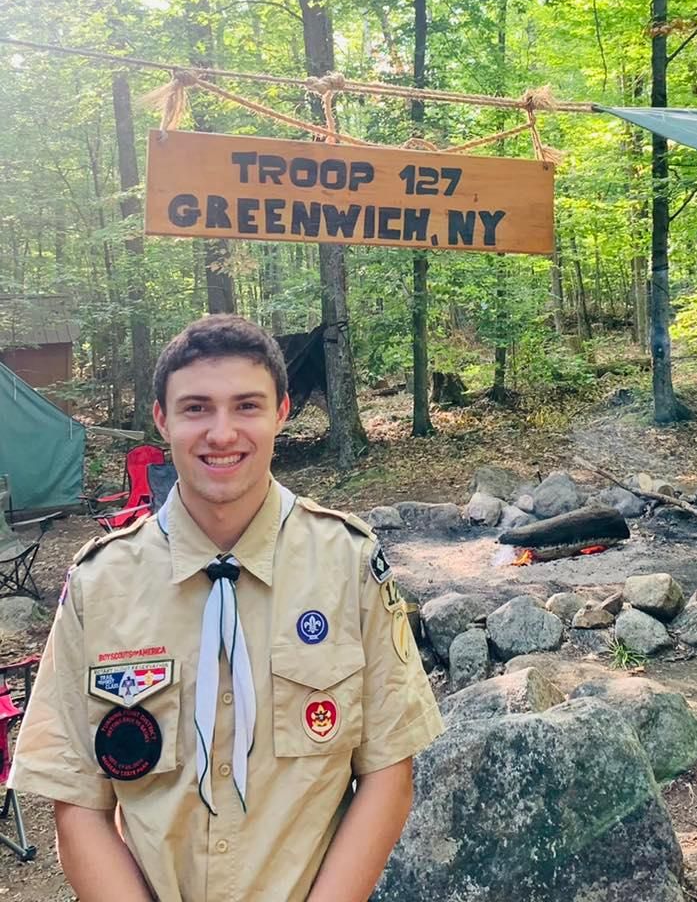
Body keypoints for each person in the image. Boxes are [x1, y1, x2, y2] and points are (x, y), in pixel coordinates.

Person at [10, 314, 444, 902]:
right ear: (162, 418)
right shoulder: (100, 584)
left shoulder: (348, 563)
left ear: (281, 411)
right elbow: (77, 802)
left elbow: (388, 775)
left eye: (246, 406)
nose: (222, 433)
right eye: (196, 408)